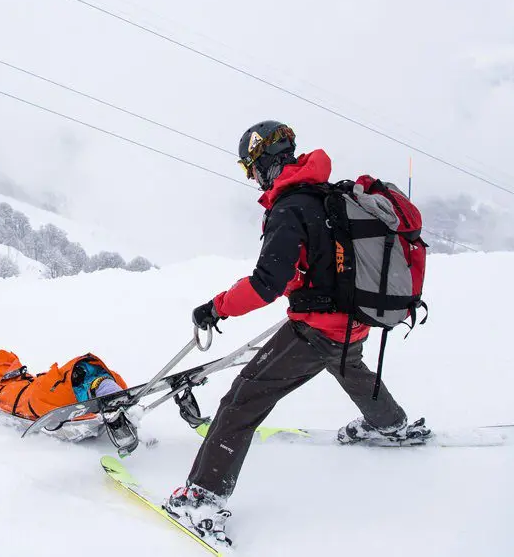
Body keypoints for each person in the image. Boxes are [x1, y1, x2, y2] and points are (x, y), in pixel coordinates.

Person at [165, 121, 430, 543]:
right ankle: (390, 424)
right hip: (355, 321)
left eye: (251, 168)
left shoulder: (290, 208)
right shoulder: (325, 196)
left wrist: (216, 308)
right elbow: (316, 264)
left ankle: (202, 500)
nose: (251, 178)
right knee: (348, 367)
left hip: (319, 329)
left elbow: (265, 284)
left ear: (267, 165)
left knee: (242, 398)